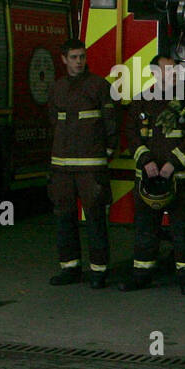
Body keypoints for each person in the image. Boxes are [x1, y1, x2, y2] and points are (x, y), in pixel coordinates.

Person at [119, 54, 185, 296]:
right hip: (147, 178)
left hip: (181, 179)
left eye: (175, 71)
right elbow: (132, 134)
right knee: (145, 228)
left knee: (182, 229)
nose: (172, 75)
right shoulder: (141, 102)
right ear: (154, 73)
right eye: (167, 71)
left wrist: (172, 164)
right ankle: (141, 274)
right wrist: (146, 161)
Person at [46, 38, 118, 288]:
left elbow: (111, 121)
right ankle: (70, 268)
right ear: (64, 59)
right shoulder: (56, 88)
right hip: (62, 167)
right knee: (64, 218)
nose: (79, 61)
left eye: (82, 56)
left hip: (91, 167)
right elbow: (54, 121)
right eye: (74, 57)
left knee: (95, 219)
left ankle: (99, 271)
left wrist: (107, 151)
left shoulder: (99, 85)